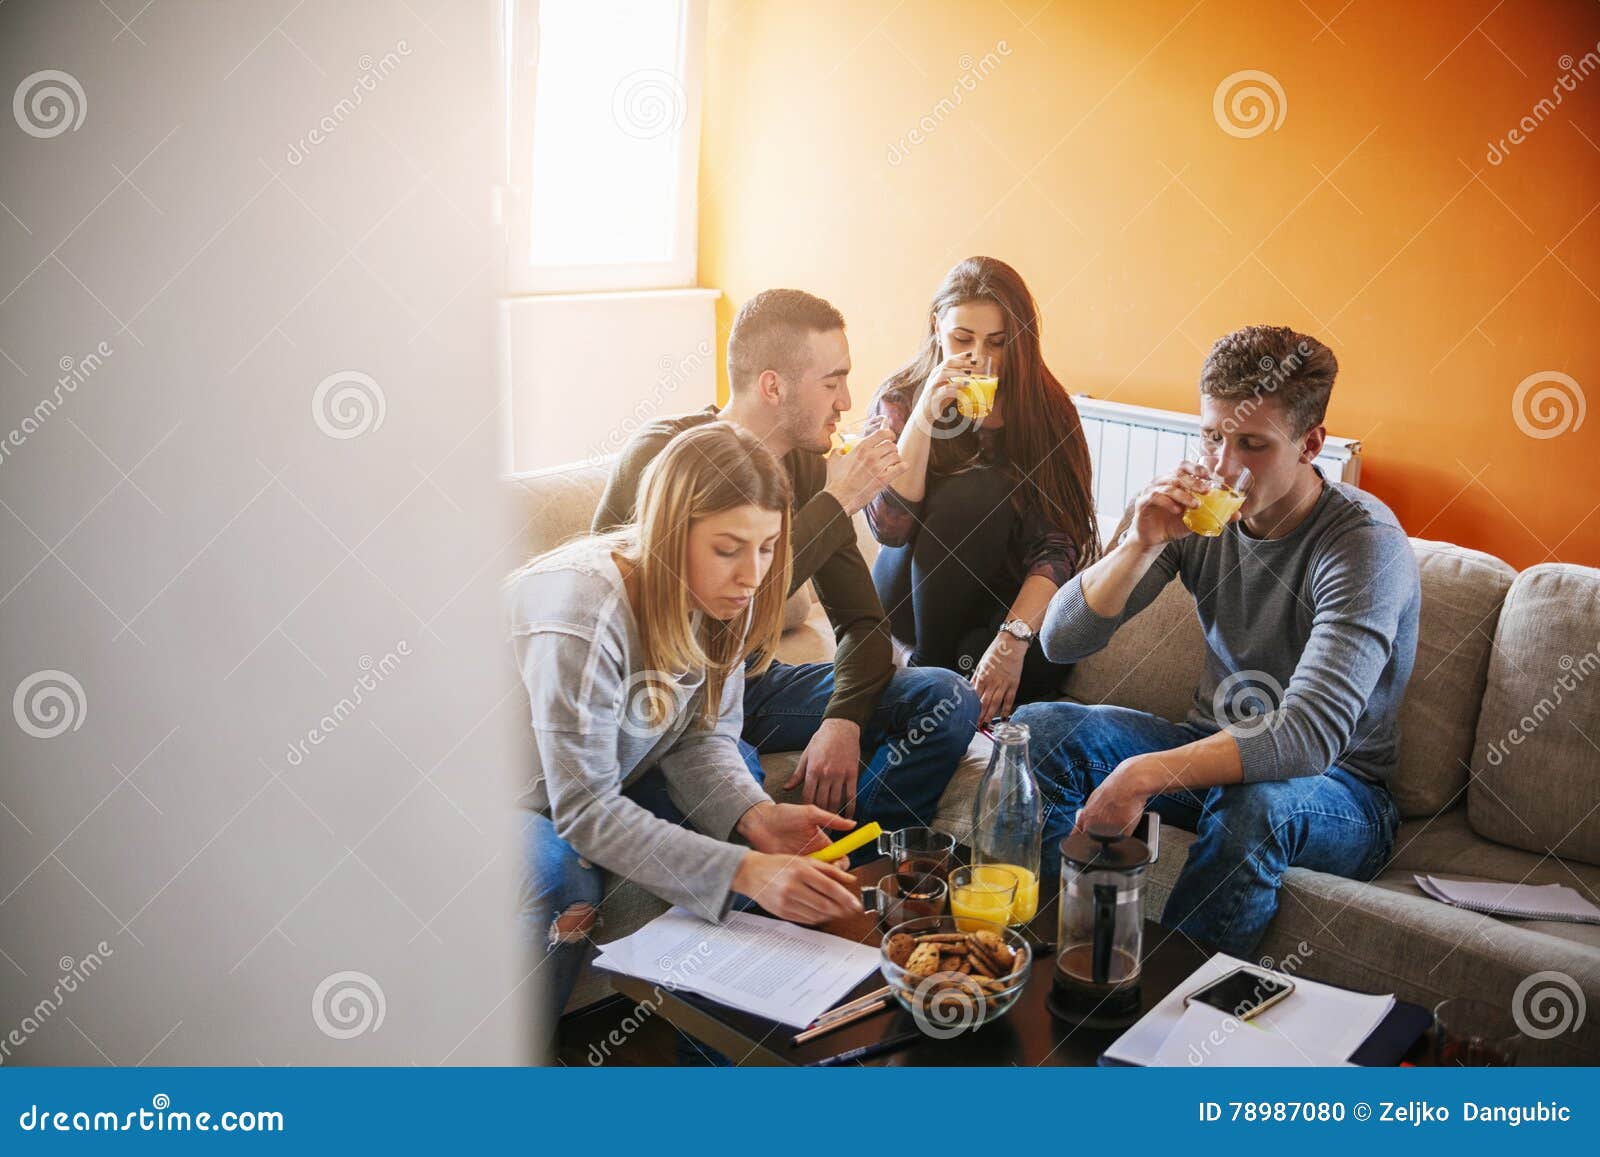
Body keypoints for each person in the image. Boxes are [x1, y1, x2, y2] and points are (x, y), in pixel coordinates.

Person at [1011, 325, 1418, 957]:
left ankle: (1165, 1022)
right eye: (1211, 435)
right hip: (1209, 752)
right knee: (1041, 728)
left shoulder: (1363, 545)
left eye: (1252, 444)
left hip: (1339, 789)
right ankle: (1056, 954)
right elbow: (1061, 642)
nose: (1222, 465)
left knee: (1254, 806)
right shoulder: (1195, 514)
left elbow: (1306, 735)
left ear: (1311, 444)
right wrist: (1139, 544)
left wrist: (1140, 775)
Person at [510, 423, 863, 1043]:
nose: (753, 575)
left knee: (733, 825)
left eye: (766, 546)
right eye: (728, 548)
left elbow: (701, 736)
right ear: (672, 534)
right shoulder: (584, 611)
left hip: (601, 779)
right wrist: (744, 871)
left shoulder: (732, 594)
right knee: (566, 882)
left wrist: (754, 816)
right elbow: (584, 806)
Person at [593, 289, 979, 829]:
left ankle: (859, 858)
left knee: (948, 696)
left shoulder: (801, 468)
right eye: (832, 381)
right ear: (772, 386)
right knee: (735, 788)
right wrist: (840, 501)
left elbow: (864, 624)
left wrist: (844, 718)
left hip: (751, 687)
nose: (846, 401)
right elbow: (700, 614)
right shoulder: (664, 459)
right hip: (667, 702)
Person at [866, 257, 1099, 722]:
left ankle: (951, 689)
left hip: (1005, 595)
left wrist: (1012, 639)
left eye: (998, 342)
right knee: (974, 489)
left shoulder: (1049, 412)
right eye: (962, 339)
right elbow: (891, 530)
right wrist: (924, 419)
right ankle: (929, 672)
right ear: (937, 327)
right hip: (915, 590)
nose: (981, 358)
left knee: (1009, 660)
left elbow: (1057, 546)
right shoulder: (901, 397)